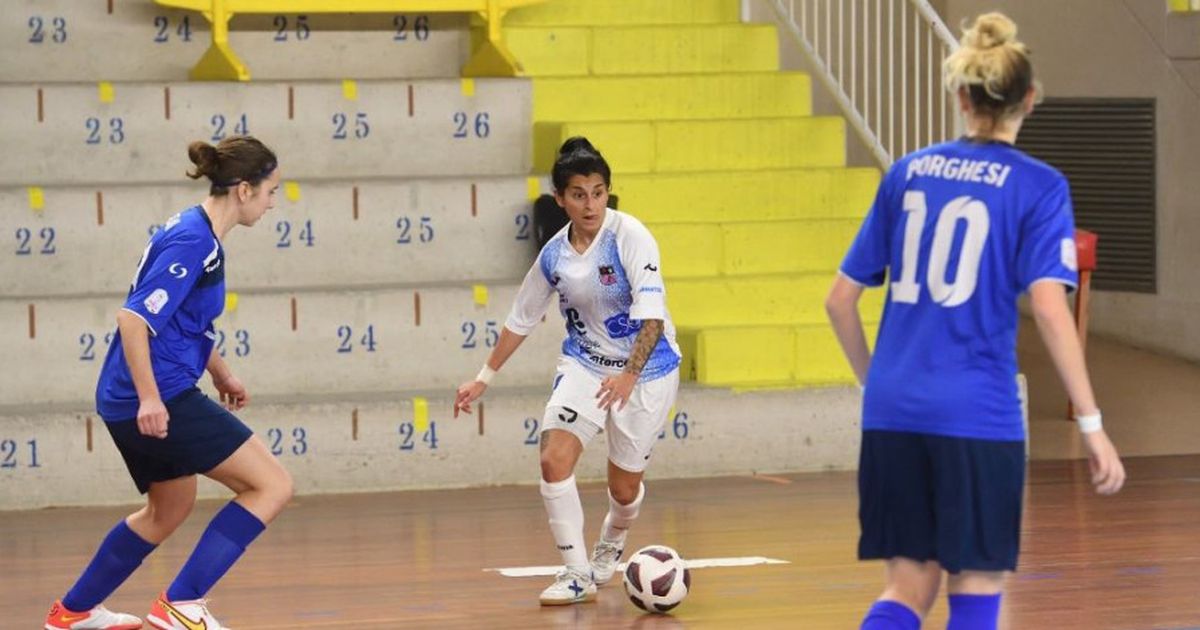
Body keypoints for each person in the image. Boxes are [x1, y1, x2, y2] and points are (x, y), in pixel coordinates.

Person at [825, 13, 1126, 630]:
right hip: (976, 417)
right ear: (1030, 99)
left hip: (894, 412)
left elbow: (839, 300)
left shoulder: (906, 171)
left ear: (961, 96)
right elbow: (1048, 306)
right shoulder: (1040, 187)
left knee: (906, 588)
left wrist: (875, 382)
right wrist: (1091, 424)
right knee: (977, 587)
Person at [44, 136, 293, 630]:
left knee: (168, 509)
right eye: (270, 191)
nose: (272, 203)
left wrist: (220, 371)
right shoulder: (193, 241)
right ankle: (182, 603)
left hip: (127, 394)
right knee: (271, 485)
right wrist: (152, 399)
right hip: (155, 394)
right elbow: (133, 320)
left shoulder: (197, 232)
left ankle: (72, 613)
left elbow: (182, 320)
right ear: (243, 190)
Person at [454, 137, 682, 606]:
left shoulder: (631, 237)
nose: (590, 203)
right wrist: (483, 377)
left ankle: (612, 541)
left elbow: (653, 321)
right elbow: (522, 317)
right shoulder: (555, 255)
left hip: (647, 371)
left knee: (624, 487)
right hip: (584, 363)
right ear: (560, 199)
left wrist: (628, 378)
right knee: (553, 458)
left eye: (598, 192)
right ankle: (577, 573)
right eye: (579, 194)